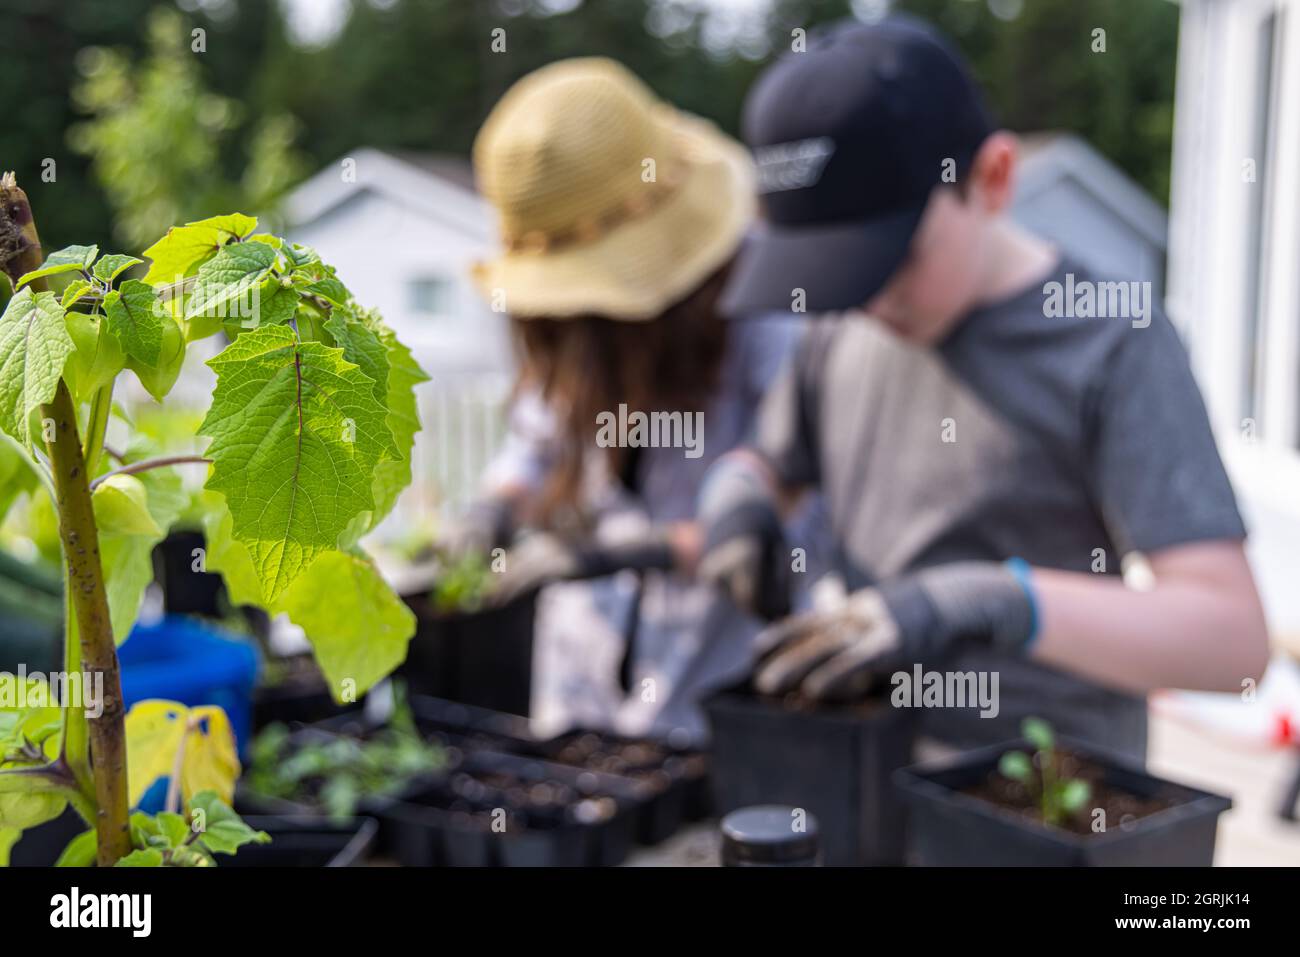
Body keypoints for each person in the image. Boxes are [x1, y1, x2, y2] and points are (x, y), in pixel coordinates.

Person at [697, 16, 1270, 762]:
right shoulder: (843, 325)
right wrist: (736, 502)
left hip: (1038, 796)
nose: (867, 300)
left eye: (889, 261)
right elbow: (770, 462)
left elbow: (1230, 642)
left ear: (993, 178)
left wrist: (997, 601)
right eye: (836, 275)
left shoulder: (1109, 337)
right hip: (867, 766)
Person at [452, 58, 805, 743]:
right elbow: (536, 439)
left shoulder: (770, 303)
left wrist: (646, 549)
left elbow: (798, 513)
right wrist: (495, 503)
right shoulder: (574, 328)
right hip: (580, 671)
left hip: (716, 673)